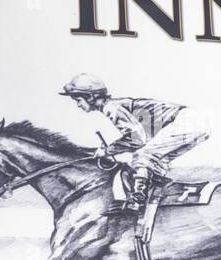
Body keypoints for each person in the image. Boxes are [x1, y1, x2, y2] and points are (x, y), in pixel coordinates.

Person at [60, 74, 208, 213]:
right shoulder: (116, 106)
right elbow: (142, 137)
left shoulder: (111, 107)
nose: (78, 105)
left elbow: (136, 139)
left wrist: (106, 151)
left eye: (78, 100)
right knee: (156, 160)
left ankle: (137, 200)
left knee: (142, 155)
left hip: (187, 122)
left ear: (90, 97)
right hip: (196, 125)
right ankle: (154, 193)